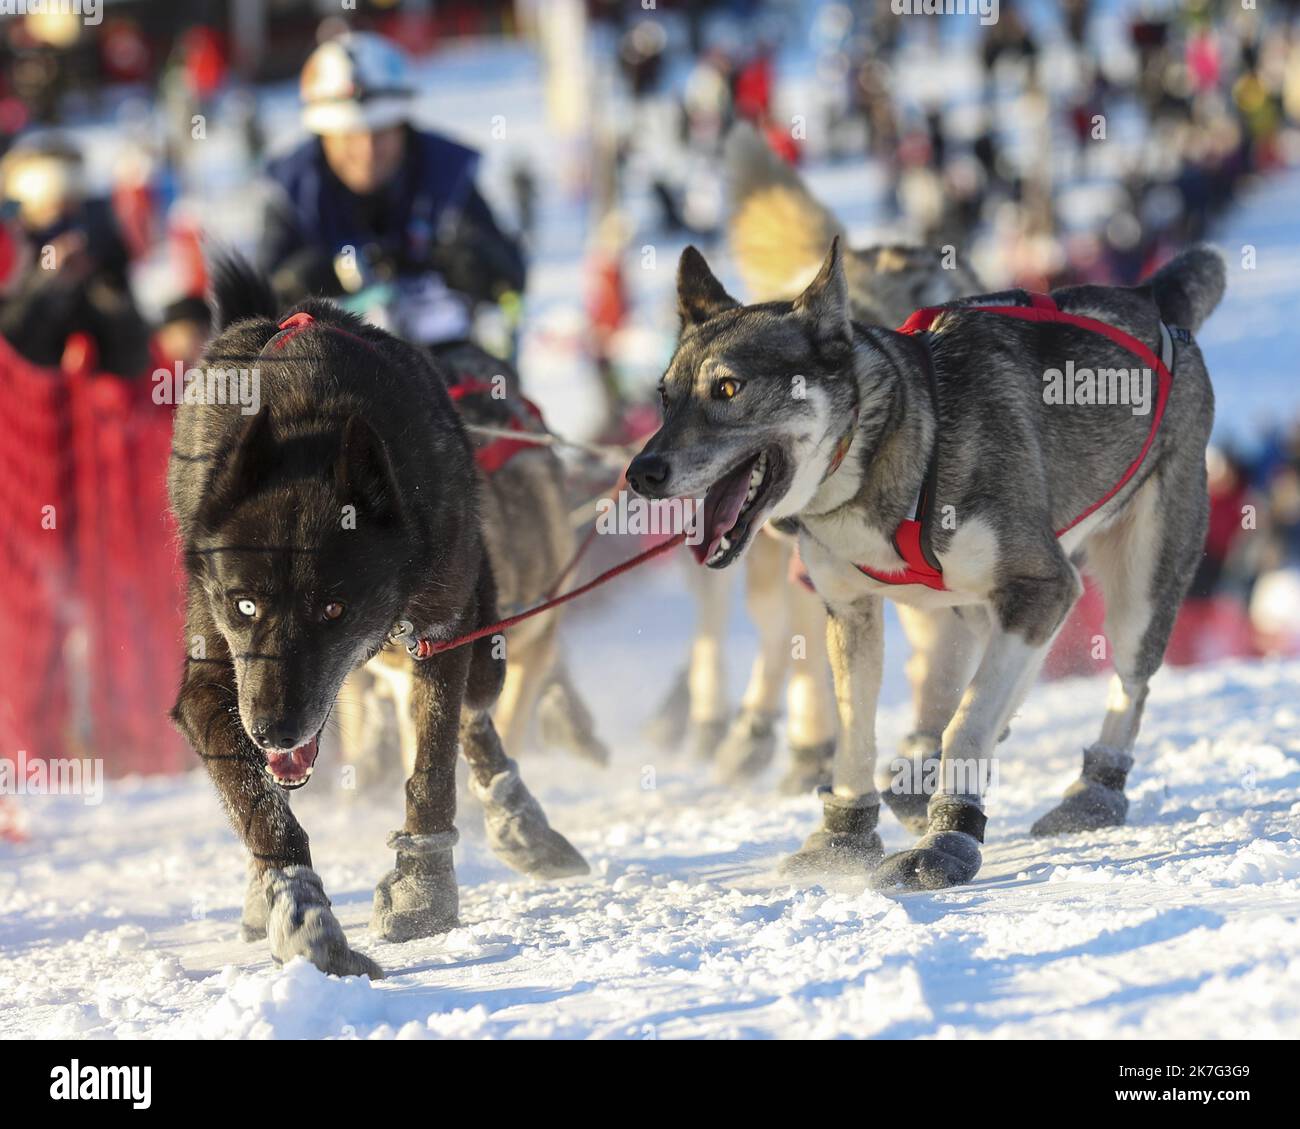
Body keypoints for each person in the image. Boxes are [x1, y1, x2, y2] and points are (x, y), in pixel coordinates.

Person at [260, 32, 525, 349]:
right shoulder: (292, 191)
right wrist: (297, 284)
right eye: (349, 135)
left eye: (380, 132)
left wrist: (476, 265)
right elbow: (257, 312)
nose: (367, 150)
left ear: (402, 125)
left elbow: (511, 277)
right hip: (332, 372)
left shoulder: (447, 176)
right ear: (322, 135)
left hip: (444, 366)